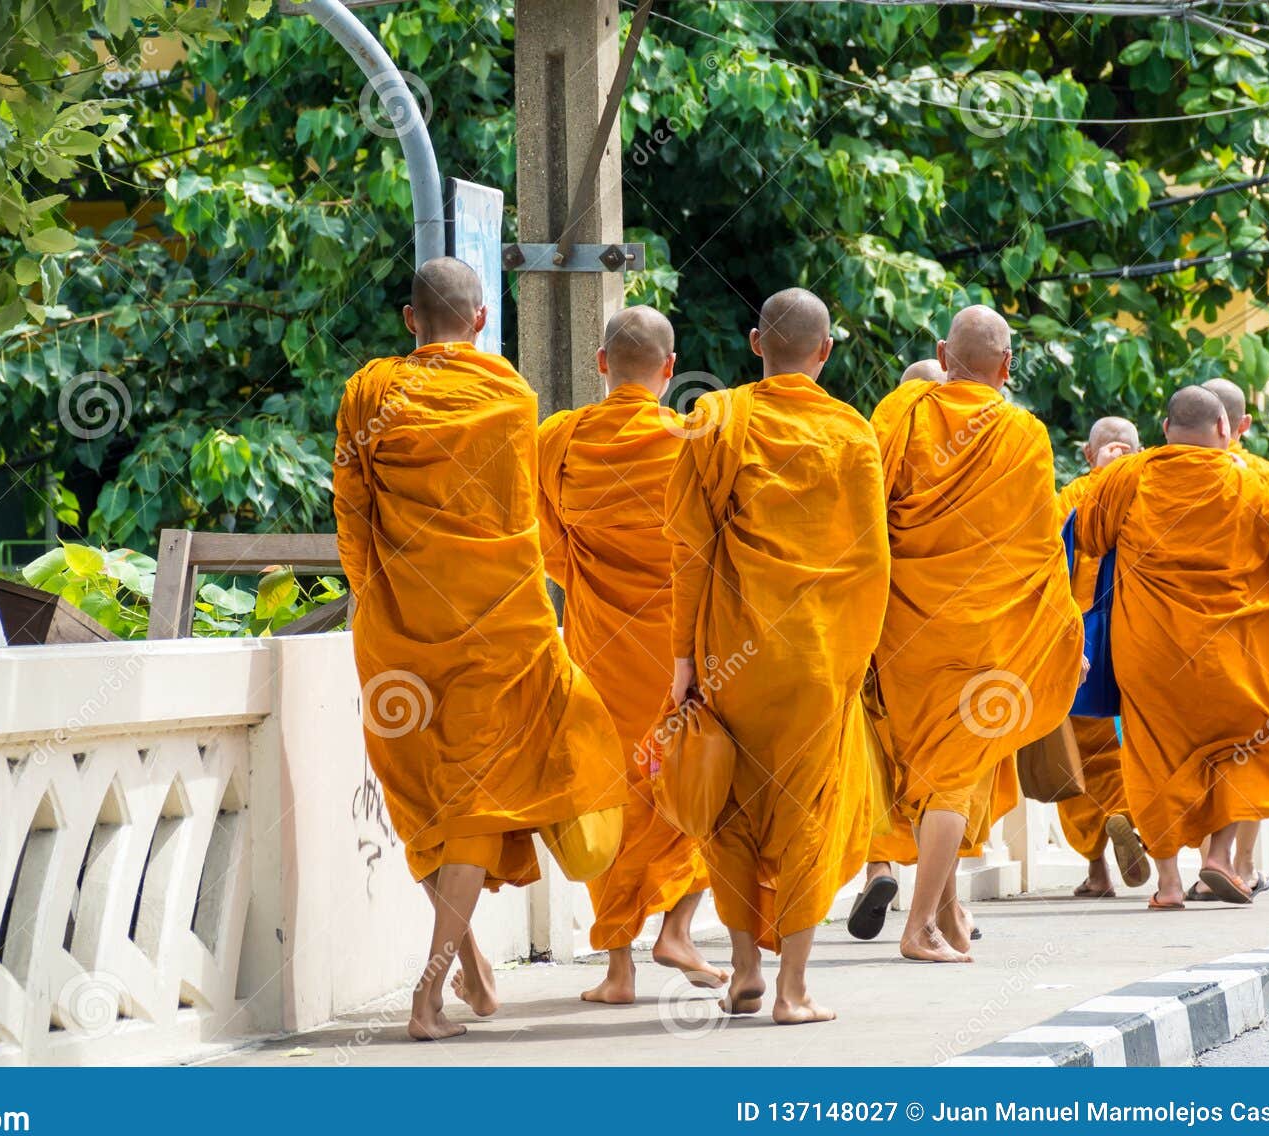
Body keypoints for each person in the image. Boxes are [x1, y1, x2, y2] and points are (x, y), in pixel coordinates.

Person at [333, 257, 625, 1040]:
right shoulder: (510, 395)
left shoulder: (370, 394)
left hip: (400, 632)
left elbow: (352, 514)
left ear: (409, 319)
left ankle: (460, 970)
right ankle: (436, 990)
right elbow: (518, 519)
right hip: (499, 628)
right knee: (466, 802)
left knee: (433, 800)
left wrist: (378, 602)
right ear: (483, 321)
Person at [665, 288, 889, 1022]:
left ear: (758, 343)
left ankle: (742, 971)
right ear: (824, 352)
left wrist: (684, 659)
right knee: (807, 811)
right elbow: (873, 563)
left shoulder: (714, 418)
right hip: (820, 659)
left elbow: (688, 550)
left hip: (735, 650)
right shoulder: (854, 433)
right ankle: (794, 989)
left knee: (730, 807)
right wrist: (856, 659)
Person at [870, 304, 1084, 962]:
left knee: (938, 771)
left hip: (905, 629)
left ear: (941, 350)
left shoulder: (899, 415)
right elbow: (1041, 550)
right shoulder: (1023, 433)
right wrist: (1062, 633)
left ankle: (948, 915)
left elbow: (865, 519)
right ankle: (919, 926)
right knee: (951, 774)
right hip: (986, 634)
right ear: (1009, 365)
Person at [536, 305, 724, 1004]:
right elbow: (713, 550)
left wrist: (588, 572)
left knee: (609, 791)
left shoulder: (559, 439)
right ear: (670, 369)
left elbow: (543, 536)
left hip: (598, 648)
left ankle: (618, 970)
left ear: (601, 363)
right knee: (694, 785)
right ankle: (677, 926)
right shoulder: (690, 442)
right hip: (682, 654)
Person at [1073, 385, 1269, 908]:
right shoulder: (1258, 484)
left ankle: (1168, 884)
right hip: (1232, 656)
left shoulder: (1129, 476)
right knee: (1236, 750)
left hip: (1153, 654)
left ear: (1163, 431)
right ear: (1227, 430)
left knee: (1152, 756)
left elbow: (1089, 536)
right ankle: (1219, 857)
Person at [1185, 377, 1269, 899]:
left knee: (1188, 746)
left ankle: (1187, 864)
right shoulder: (1262, 477)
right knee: (1248, 749)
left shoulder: (1156, 474)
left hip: (1173, 640)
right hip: (1251, 635)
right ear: (1238, 426)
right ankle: (1236, 861)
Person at [1056, 418, 1150, 898]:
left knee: (1080, 759)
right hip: (1141, 645)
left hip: (1080, 647)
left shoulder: (1067, 500)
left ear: (1087, 454)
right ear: (1139, 453)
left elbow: (1044, 570)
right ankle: (1133, 819)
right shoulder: (1152, 496)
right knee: (1142, 748)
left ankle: (1096, 870)